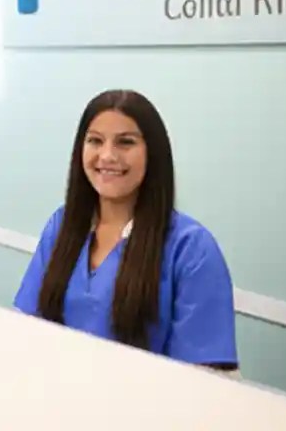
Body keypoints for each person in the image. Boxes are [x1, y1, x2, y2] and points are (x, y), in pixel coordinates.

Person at [13, 89, 238, 370]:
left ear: (152, 154)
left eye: (125, 143)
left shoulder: (191, 249)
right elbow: (27, 325)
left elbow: (205, 378)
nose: (107, 156)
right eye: (95, 141)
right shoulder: (63, 226)